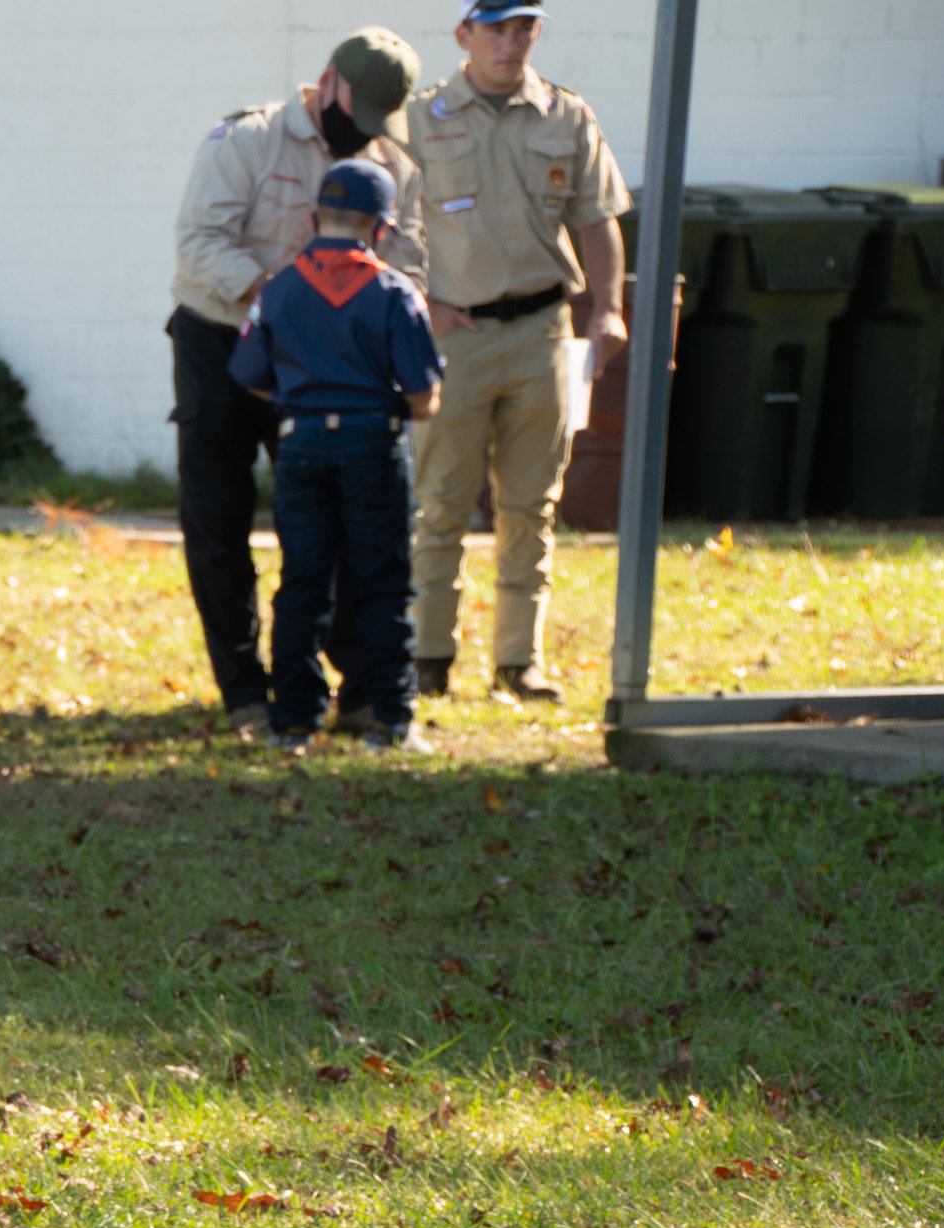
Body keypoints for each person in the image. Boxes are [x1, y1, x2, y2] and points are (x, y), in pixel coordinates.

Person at [170, 26, 427, 735]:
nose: (363, 133)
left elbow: (408, 264)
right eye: (358, 113)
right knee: (218, 525)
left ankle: (354, 690)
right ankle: (245, 692)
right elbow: (198, 244)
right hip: (221, 345)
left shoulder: (389, 163)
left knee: (340, 529)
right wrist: (286, 302)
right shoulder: (246, 141)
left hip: (325, 373)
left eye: (379, 121)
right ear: (328, 80)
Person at [401, 0, 630, 701]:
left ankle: (517, 662)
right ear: (462, 35)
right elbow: (388, 223)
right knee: (440, 500)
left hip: (540, 330)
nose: (510, 43)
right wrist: (421, 301)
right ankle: (428, 657)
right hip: (454, 334)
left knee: (531, 503)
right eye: (495, 28)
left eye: (523, 28)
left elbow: (597, 218)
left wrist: (610, 306)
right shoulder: (417, 118)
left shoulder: (565, 116)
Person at [228, 158, 445, 754]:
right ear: (382, 228)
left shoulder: (277, 289)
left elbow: (249, 374)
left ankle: (294, 721)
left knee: (302, 582)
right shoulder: (395, 292)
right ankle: (391, 721)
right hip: (372, 442)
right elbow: (425, 395)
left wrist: (300, 396)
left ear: (312, 217)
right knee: (382, 581)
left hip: (300, 445)